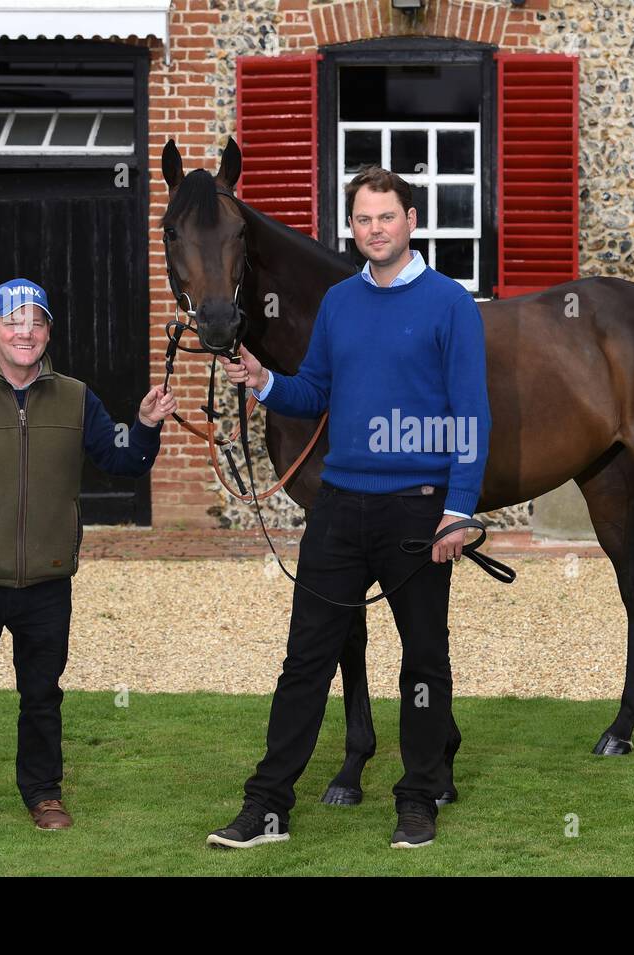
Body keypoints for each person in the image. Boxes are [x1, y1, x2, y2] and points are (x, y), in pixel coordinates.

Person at [208, 166, 491, 850]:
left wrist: (458, 510)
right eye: (363, 220)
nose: (374, 230)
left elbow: (470, 415)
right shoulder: (339, 303)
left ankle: (418, 798)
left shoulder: (450, 303)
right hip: (338, 507)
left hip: (417, 512)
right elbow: (314, 393)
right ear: (353, 227)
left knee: (424, 660)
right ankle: (267, 805)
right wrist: (265, 380)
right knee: (305, 658)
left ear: (411, 221)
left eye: (385, 217)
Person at [0, 277, 176, 836]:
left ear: (48, 333)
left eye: (37, 322)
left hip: (47, 583)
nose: (26, 332)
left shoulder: (75, 398)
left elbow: (121, 463)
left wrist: (143, 427)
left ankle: (44, 795)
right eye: (14, 321)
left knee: (42, 697)